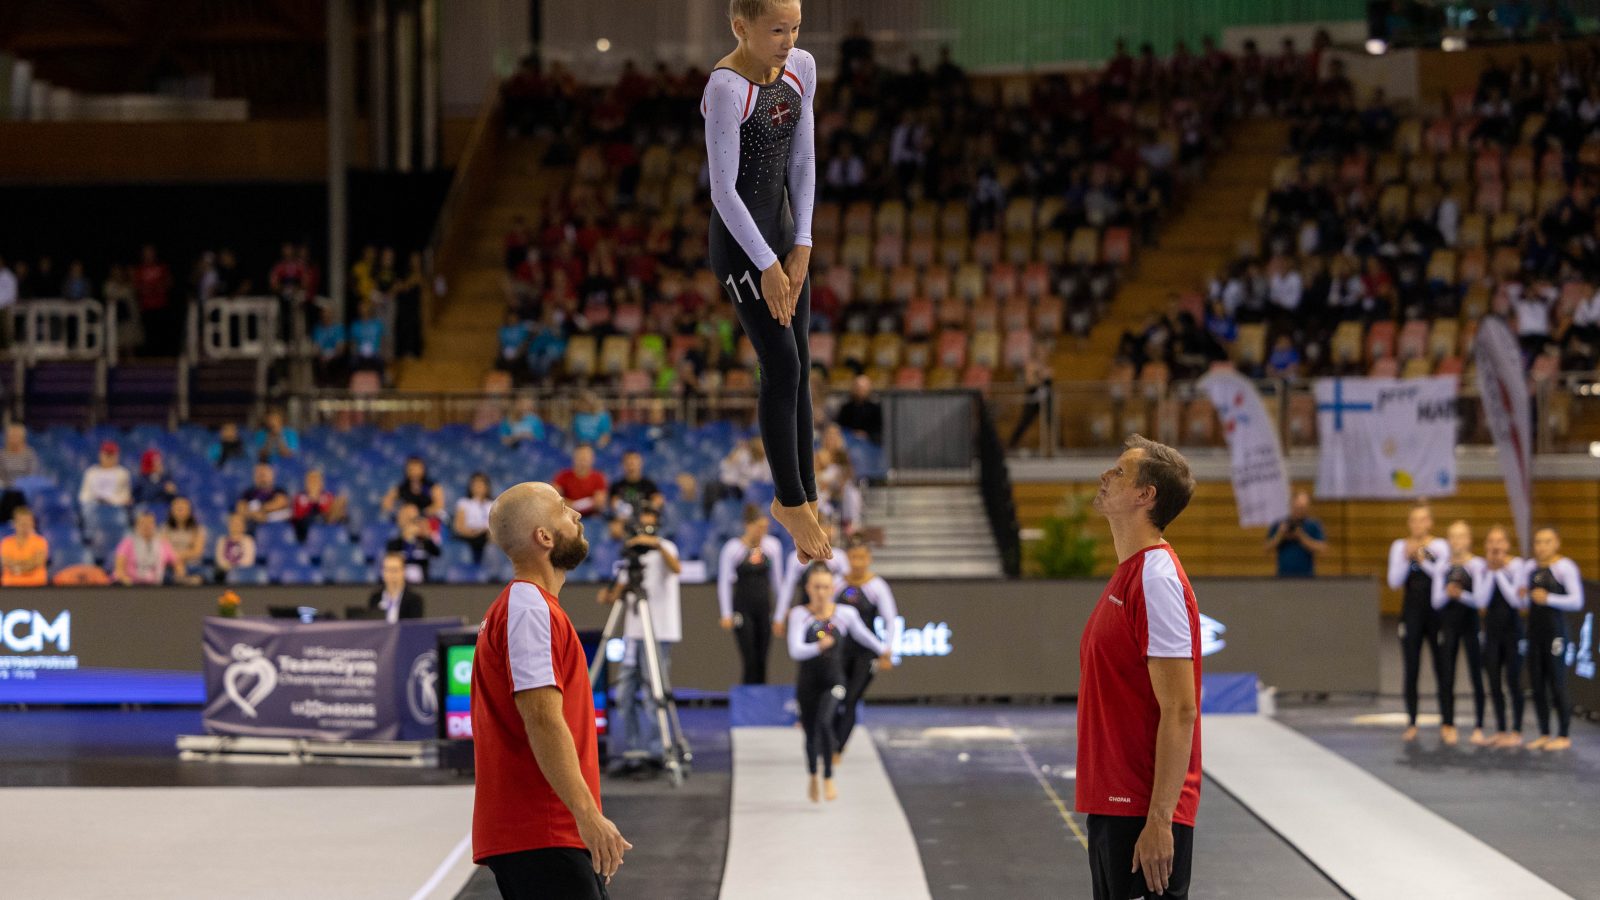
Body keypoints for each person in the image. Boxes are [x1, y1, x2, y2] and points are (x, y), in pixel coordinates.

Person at [703, 1, 833, 564]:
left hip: (783, 239)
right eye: (776, 30)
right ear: (741, 28)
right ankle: (789, 498)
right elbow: (724, 190)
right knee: (780, 364)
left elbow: (802, 162)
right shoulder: (726, 89)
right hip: (740, 246)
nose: (788, 39)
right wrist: (767, 263)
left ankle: (805, 494)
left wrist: (801, 243)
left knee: (799, 362)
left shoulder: (801, 67)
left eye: (795, 28)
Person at [472, 481, 630, 898]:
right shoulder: (528, 608)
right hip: (543, 828)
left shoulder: (526, 607)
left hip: (542, 830)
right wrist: (587, 815)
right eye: (563, 509)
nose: (576, 514)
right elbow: (542, 717)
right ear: (543, 537)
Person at [1077, 435, 1200, 900]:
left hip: (1140, 809)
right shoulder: (1130, 573)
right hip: (1114, 803)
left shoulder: (1156, 577)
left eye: (1119, 473)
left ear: (1146, 495)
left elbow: (1181, 709)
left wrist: (1159, 820)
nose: (1105, 477)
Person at [786, 561, 890, 802]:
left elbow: (864, 636)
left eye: (825, 587)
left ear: (833, 589)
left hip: (834, 680)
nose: (821, 592)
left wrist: (884, 650)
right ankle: (813, 774)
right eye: (816, 587)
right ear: (808, 589)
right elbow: (795, 650)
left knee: (825, 722)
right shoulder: (799, 615)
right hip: (808, 682)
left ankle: (829, 777)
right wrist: (817, 646)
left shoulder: (846, 614)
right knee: (811, 733)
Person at [596, 506, 682, 777]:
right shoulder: (631, 553)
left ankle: (659, 750)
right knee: (624, 693)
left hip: (658, 631)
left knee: (652, 691)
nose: (644, 533)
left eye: (650, 528)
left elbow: (676, 568)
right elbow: (620, 589)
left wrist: (655, 545)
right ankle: (635, 749)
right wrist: (609, 594)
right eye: (641, 528)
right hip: (633, 632)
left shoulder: (666, 547)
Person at [1386, 502, 1450, 742]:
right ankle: (1412, 720)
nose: (1418, 525)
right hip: (1411, 612)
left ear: (1430, 522)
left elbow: (1442, 576)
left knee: (1442, 666)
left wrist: (1422, 559)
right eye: (1413, 520)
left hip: (1435, 613)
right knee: (1411, 668)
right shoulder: (1400, 546)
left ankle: (1446, 720)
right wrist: (1406, 557)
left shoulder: (1440, 546)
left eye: (1423, 520)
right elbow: (1394, 581)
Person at [831, 536, 897, 759]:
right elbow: (825, 613)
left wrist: (886, 650)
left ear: (869, 559)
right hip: (840, 649)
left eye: (862, 558)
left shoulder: (876, 586)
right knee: (835, 696)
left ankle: (838, 748)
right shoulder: (837, 582)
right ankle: (832, 739)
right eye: (853, 558)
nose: (857, 563)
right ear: (847, 558)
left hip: (865, 652)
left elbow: (890, 619)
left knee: (851, 699)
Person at [1523, 526, 1583, 752]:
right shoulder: (1530, 568)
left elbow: (1577, 601)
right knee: (1537, 683)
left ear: (1556, 543)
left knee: (1557, 682)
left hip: (1555, 631)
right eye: (1538, 542)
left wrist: (1549, 598)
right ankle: (1544, 732)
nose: (1541, 547)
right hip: (1535, 632)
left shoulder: (1564, 567)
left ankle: (1564, 734)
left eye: (1547, 542)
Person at [1432, 520, 1488, 746]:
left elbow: (1481, 600)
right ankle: (1448, 723)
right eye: (1452, 537)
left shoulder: (1478, 565)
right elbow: (1436, 601)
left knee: (1476, 674)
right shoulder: (1441, 567)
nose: (1457, 541)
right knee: (1446, 674)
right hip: (1449, 624)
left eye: (1461, 536)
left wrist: (1461, 594)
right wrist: (1448, 594)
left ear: (1469, 539)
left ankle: (1479, 725)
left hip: (1471, 623)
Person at [718, 504, 785, 684]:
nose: (762, 532)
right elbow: (724, 582)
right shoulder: (733, 549)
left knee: (763, 657)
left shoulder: (772, 546)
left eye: (765, 528)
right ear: (748, 526)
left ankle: (760, 701)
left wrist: (781, 610)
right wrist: (726, 613)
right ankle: (748, 701)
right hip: (743, 609)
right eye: (759, 528)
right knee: (749, 658)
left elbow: (777, 580)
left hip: (764, 608)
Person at [1476, 525, 1528, 748]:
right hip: (1492, 631)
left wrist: (1499, 572)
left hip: (1513, 630)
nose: (1495, 546)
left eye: (1499, 541)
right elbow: (1480, 601)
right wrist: (1491, 571)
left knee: (1514, 681)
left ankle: (1516, 729)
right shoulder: (1482, 568)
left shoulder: (1517, 565)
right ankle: (1500, 728)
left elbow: (1517, 601)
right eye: (1491, 541)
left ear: (1507, 544)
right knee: (1494, 682)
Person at [774, 516, 846, 629]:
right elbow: (787, 587)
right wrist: (779, 617)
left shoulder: (839, 557)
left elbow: (847, 587)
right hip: (806, 611)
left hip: (832, 613)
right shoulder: (797, 558)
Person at [1264, 491, 1327, 577]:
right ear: (1291, 506)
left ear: (1307, 508)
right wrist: (1280, 535)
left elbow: (1322, 548)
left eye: (1302, 508)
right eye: (1297, 508)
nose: (1299, 511)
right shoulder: (1280, 524)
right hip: (1283, 575)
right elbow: (1267, 547)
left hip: (1307, 576)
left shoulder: (1313, 525)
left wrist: (1302, 537)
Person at [113, 510, 184, 586]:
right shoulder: (127, 543)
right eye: (143, 523)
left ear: (154, 525)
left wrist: (179, 575)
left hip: (156, 586)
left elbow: (177, 562)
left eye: (150, 523)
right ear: (137, 525)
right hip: (131, 586)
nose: (146, 526)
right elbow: (119, 569)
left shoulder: (163, 543)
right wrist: (127, 582)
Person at [606, 451, 663, 539]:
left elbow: (657, 501)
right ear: (623, 465)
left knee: (650, 519)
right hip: (625, 520)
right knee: (615, 528)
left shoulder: (649, 484)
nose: (631, 465)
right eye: (628, 462)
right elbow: (614, 505)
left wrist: (650, 508)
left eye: (634, 462)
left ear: (640, 463)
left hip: (644, 518)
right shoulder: (616, 486)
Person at [387, 503, 442, 583]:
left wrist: (427, 536)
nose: (411, 526)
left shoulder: (425, 541)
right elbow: (390, 554)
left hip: (423, 583)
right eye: (408, 522)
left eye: (413, 522)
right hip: (401, 581)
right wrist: (404, 538)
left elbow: (437, 553)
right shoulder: (396, 542)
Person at [382, 456, 446, 521]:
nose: (414, 472)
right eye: (411, 469)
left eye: (417, 469)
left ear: (423, 469)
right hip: (407, 519)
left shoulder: (432, 487)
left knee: (412, 511)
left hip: (428, 520)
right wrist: (396, 511)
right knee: (409, 511)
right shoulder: (402, 487)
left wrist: (420, 514)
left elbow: (439, 506)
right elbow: (386, 501)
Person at [161, 497, 208, 584]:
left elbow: (197, 551)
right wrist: (176, 562)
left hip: (192, 565)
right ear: (171, 511)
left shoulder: (198, 529)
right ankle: (184, 580)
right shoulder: (165, 529)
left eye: (183, 509)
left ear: (189, 511)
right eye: (178, 509)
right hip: (171, 565)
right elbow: (164, 550)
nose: (180, 512)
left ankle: (182, 579)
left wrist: (177, 558)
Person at [291, 469, 347, 542]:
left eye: (316, 480)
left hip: (325, 525)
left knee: (339, 509)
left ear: (321, 483)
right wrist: (312, 499)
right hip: (306, 529)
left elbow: (329, 514)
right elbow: (298, 516)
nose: (314, 483)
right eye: (311, 480)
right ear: (306, 483)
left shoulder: (328, 496)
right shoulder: (300, 497)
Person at [79, 441, 133, 517]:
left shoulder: (123, 473)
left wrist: (109, 501)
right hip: (94, 509)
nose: (109, 458)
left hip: (115, 511)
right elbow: (84, 495)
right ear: (100, 455)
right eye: (107, 455)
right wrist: (96, 500)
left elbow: (126, 497)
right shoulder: (91, 472)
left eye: (112, 455)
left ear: (117, 456)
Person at [554, 445, 609, 518]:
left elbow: (599, 503)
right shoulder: (563, 476)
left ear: (592, 459)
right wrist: (588, 502)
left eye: (586, 458)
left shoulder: (599, 477)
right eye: (580, 457)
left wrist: (572, 505)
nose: (583, 461)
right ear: (574, 458)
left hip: (591, 518)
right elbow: (553, 498)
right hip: (568, 517)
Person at [368, 552, 426, 621]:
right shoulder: (375, 598)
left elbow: (415, 628)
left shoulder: (414, 600)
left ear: (403, 571)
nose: (391, 574)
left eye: (395, 570)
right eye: (388, 569)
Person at [1, 506, 49, 587]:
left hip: (35, 586)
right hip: (10, 587)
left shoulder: (40, 542)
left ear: (33, 523)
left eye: (27, 521)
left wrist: (18, 568)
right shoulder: (6, 542)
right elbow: (6, 563)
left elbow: (37, 562)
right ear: (14, 523)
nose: (24, 525)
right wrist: (27, 564)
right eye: (21, 522)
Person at [454, 473, 495, 565]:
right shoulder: (463, 503)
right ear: (470, 486)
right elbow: (458, 527)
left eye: (481, 484)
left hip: (487, 537)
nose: (478, 487)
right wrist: (474, 533)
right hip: (468, 536)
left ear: (487, 486)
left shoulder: (492, 504)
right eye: (475, 484)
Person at [835, 374, 884, 445]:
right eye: (858, 387)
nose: (861, 390)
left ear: (869, 388)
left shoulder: (875, 409)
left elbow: (879, 430)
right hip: (849, 442)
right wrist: (852, 434)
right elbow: (840, 427)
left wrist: (866, 435)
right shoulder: (846, 408)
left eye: (864, 388)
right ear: (854, 388)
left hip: (870, 444)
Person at [214, 513, 258, 580]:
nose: (235, 525)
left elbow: (248, 560)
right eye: (233, 522)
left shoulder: (248, 541)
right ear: (228, 525)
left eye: (238, 523)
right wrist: (229, 567)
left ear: (244, 526)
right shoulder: (222, 540)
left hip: (243, 572)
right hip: (225, 571)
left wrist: (236, 568)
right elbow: (220, 560)